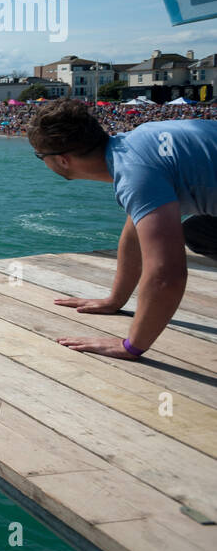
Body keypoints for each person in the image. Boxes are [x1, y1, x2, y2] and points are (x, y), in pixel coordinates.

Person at [28, 98, 217, 359]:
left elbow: (166, 276)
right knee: (199, 232)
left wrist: (131, 345)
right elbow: (135, 234)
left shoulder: (135, 176)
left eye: (40, 157)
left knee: (200, 233)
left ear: (62, 160)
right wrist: (115, 300)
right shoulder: (135, 144)